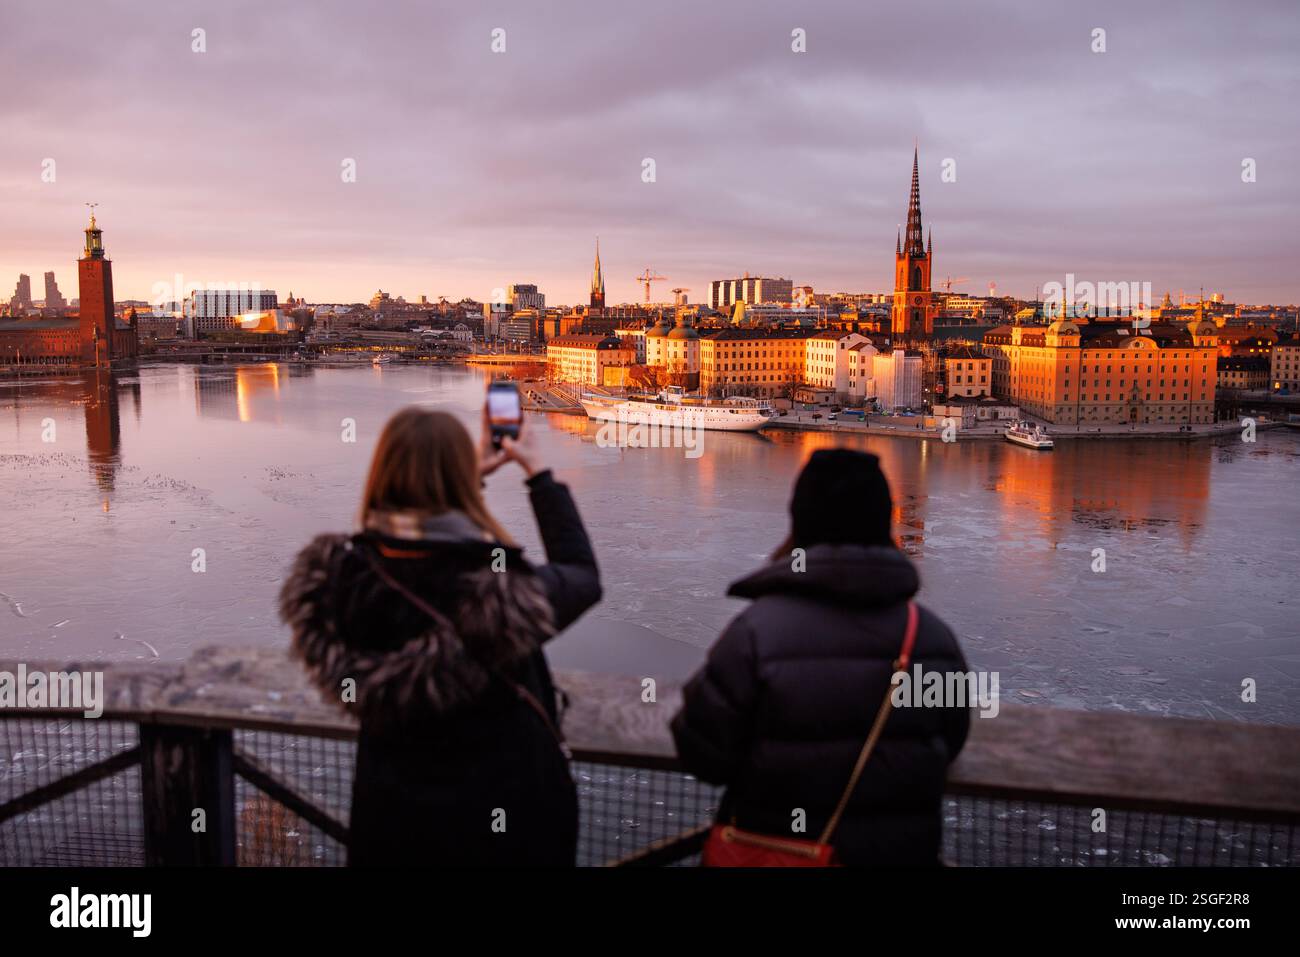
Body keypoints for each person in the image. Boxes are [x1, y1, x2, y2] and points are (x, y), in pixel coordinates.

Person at [279, 406, 601, 866]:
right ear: (457, 479)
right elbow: (581, 574)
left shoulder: (343, 582)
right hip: (506, 834)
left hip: (392, 829)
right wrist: (539, 473)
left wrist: (458, 483)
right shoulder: (497, 590)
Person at [671, 449, 970, 866]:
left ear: (799, 522)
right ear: (883, 522)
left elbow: (701, 752)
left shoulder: (756, 634)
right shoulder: (933, 643)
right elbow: (951, 744)